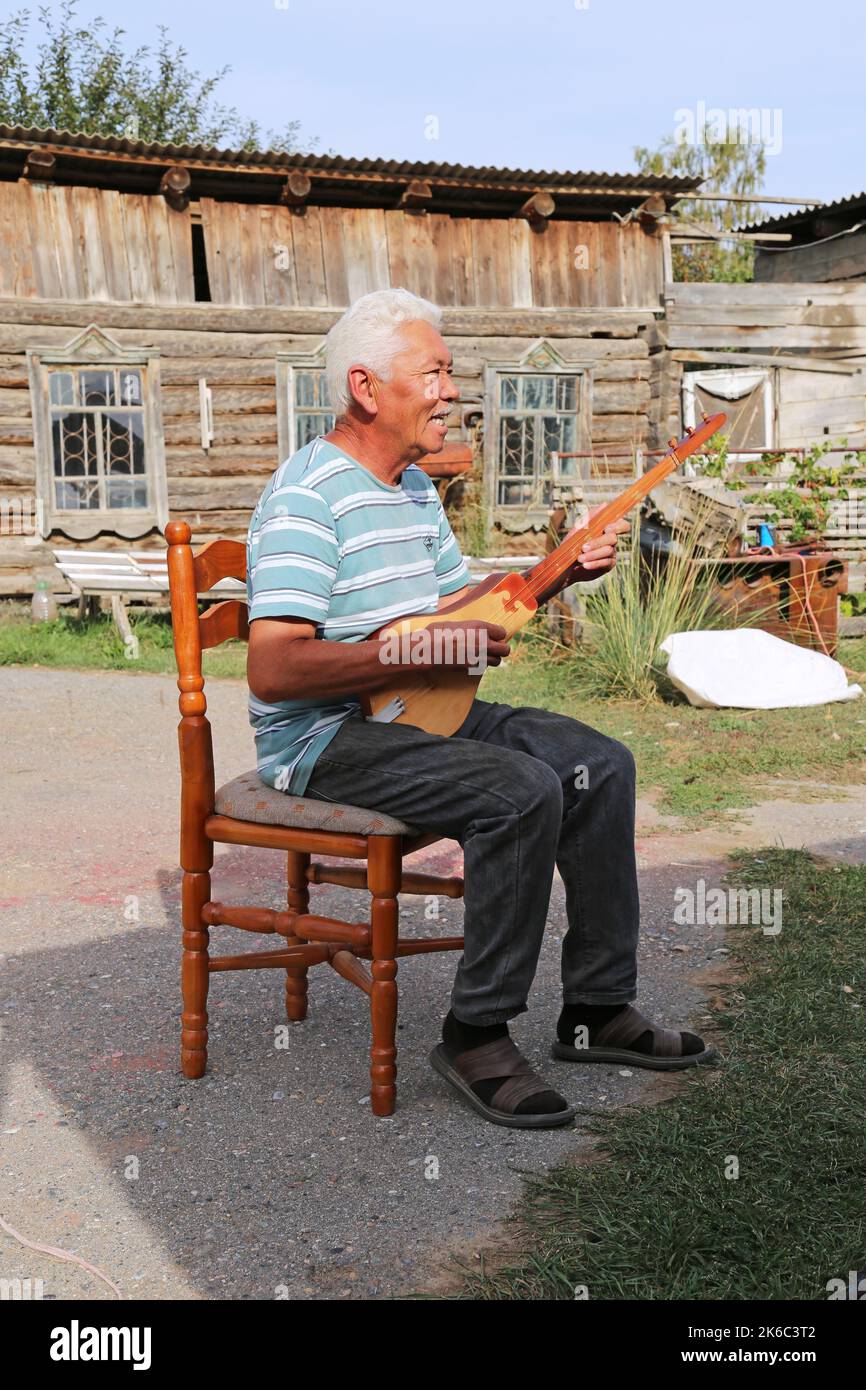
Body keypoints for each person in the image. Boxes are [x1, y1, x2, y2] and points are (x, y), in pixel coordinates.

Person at [246, 288, 714, 1130]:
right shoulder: (305, 499)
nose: (451, 391)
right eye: (435, 372)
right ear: (366, 388)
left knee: (598, 764)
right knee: (519, 789)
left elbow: (453, 604)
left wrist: (555, 572)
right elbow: (275, 669)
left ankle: (596, 1009)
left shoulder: (414, 489)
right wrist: (418, 651)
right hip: (328, 737)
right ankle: (475, 1033)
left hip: (421, 708)